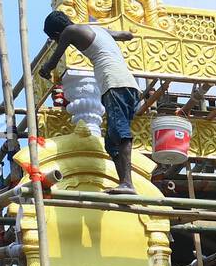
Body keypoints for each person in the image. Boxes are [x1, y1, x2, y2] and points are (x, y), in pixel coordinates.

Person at [37, 11, 140, 195]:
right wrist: (125, 32)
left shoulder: (69, 31)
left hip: (113, 83)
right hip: (130, 85)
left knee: (119, 131)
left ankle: (127, 183)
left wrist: (44, 69)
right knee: (111, 143)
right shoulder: (97, 30)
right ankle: (125, 183)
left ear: (56, 34)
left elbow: (53, 60)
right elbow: (126, 35)